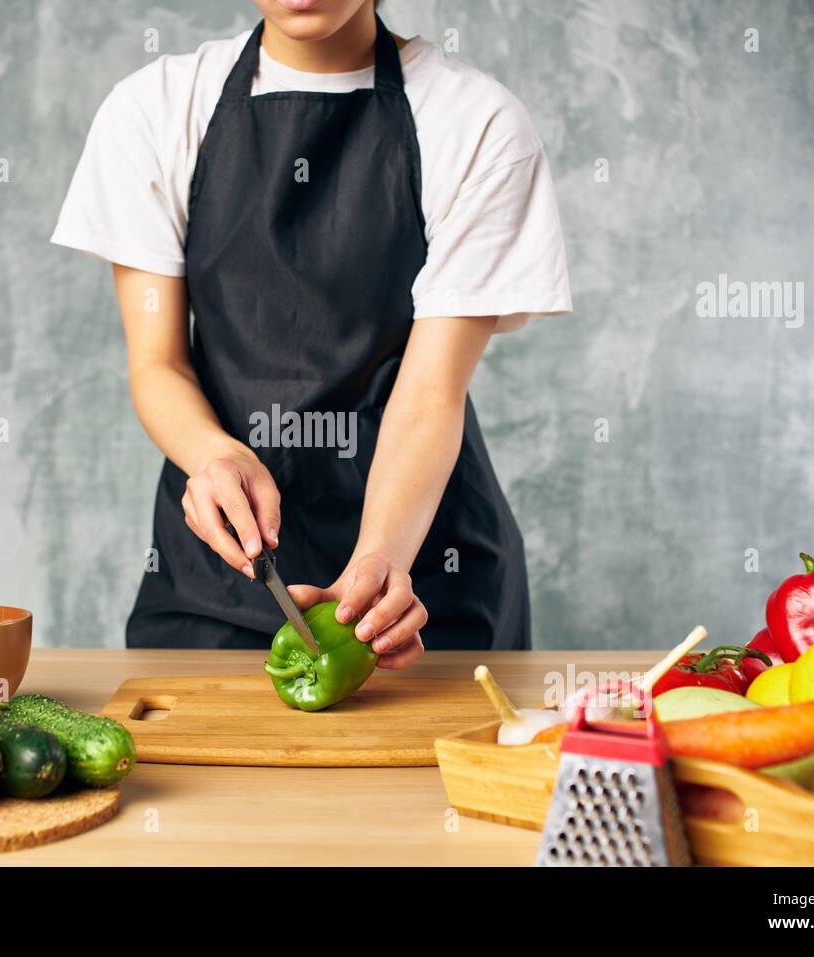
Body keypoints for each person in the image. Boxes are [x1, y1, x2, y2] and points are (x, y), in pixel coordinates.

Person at [52, 0, 570, 664]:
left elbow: (429, 392)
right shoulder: (153, 110)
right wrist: (216, 455)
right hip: (216, 587)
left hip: (426, 586)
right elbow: (158, 364)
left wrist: (383, 556)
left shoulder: (476, 122)